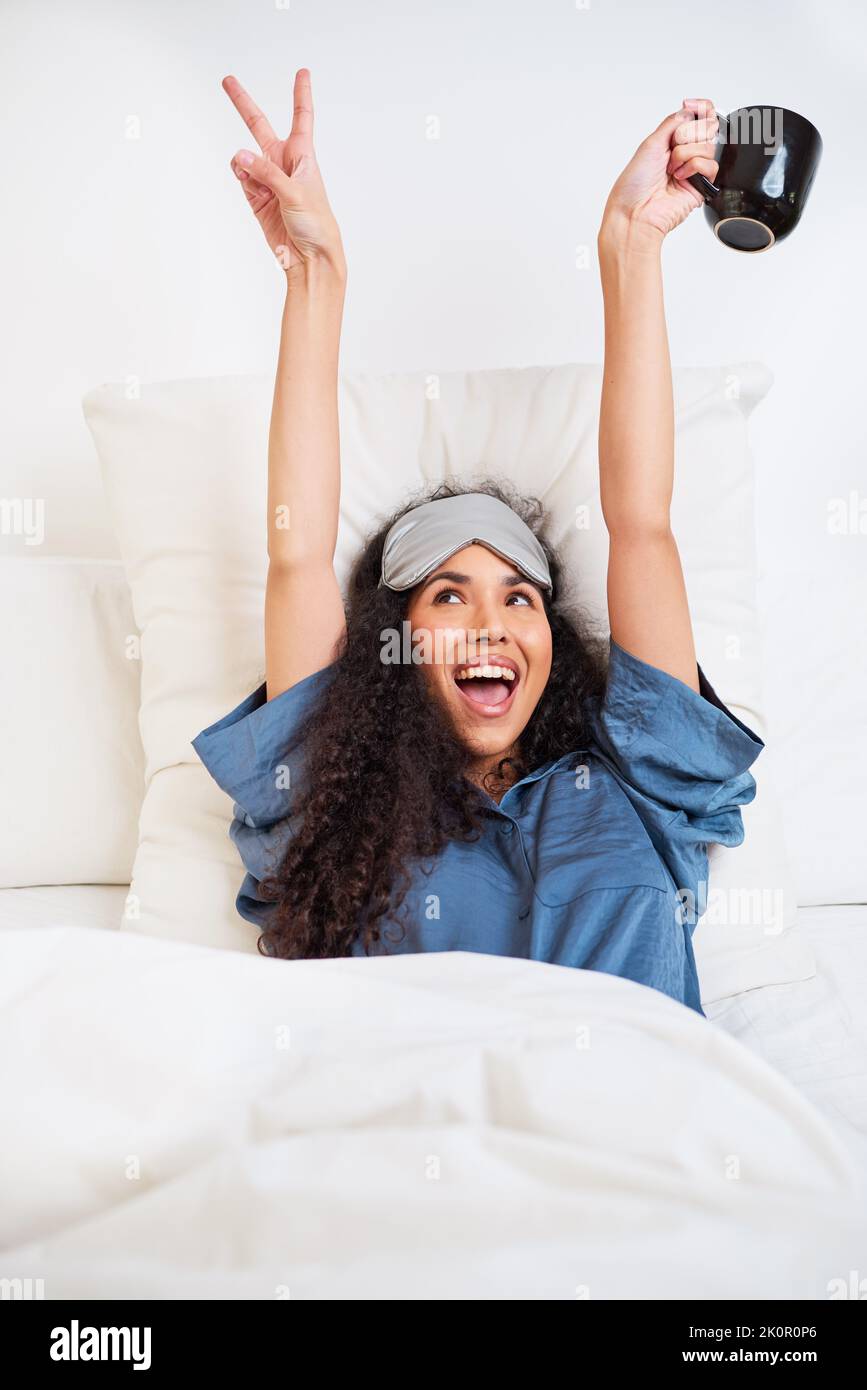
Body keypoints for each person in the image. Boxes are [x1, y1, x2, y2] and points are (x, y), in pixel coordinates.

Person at [193, 71, 764, 1015]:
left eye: (518, 598)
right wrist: (314, 279)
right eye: (447, 597)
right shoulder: (330, 803)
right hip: (395, 1136)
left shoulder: (640, 780)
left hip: (628, 1140)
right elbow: (294, 553)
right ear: (394, 643)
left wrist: (630, 248)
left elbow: (643, 524)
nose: (492, 623)